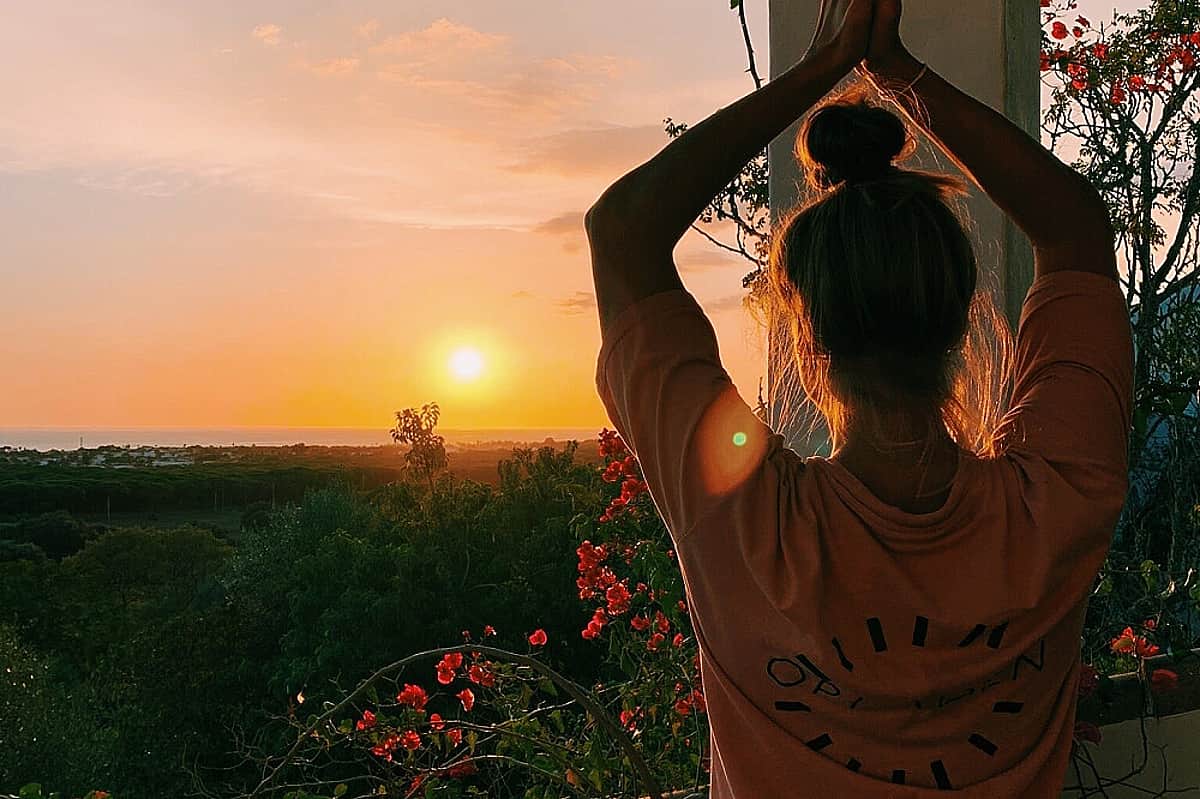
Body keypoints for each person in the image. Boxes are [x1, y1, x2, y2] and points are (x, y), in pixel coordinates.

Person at [586, 0, 1133, 795]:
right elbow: (1079, 227)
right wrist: (900, 75)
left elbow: (623, 230)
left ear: (808, 343)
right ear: (960, 317)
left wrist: (817, 72)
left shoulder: (745, 525)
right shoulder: (1053, 506)